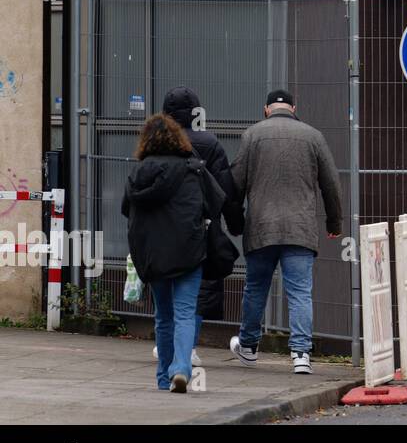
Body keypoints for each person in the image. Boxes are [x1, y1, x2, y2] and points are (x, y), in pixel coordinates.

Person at [228, 90, 342, 375]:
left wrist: (236, 223)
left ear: (266, 109)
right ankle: (301, 354)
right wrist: (334, 224)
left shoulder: (251, 136)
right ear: (294, 107)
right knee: (300, 292)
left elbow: (235, 185)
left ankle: (250, 347)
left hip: (261, 228)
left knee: (256, 289)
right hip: (299, 228)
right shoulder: (313, 136)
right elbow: (331, 184)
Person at [121, 113, 224, 393]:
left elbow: (126, 209)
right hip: (188, 252)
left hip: (153, 256)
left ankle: (163, 377)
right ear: (178, 138)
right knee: (185, 314)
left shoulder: (138, 173)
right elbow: (214, 204)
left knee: (163, 316)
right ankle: (181, 368)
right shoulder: (193, 169)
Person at [160, 87, 240, 361]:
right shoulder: (211, 143)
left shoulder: (156, 142)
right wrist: (235, 222)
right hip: (201, 226)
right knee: (196, 290)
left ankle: (165, 342)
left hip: (164, 227)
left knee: (164, 284)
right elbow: (225, 189)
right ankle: (187, 348)